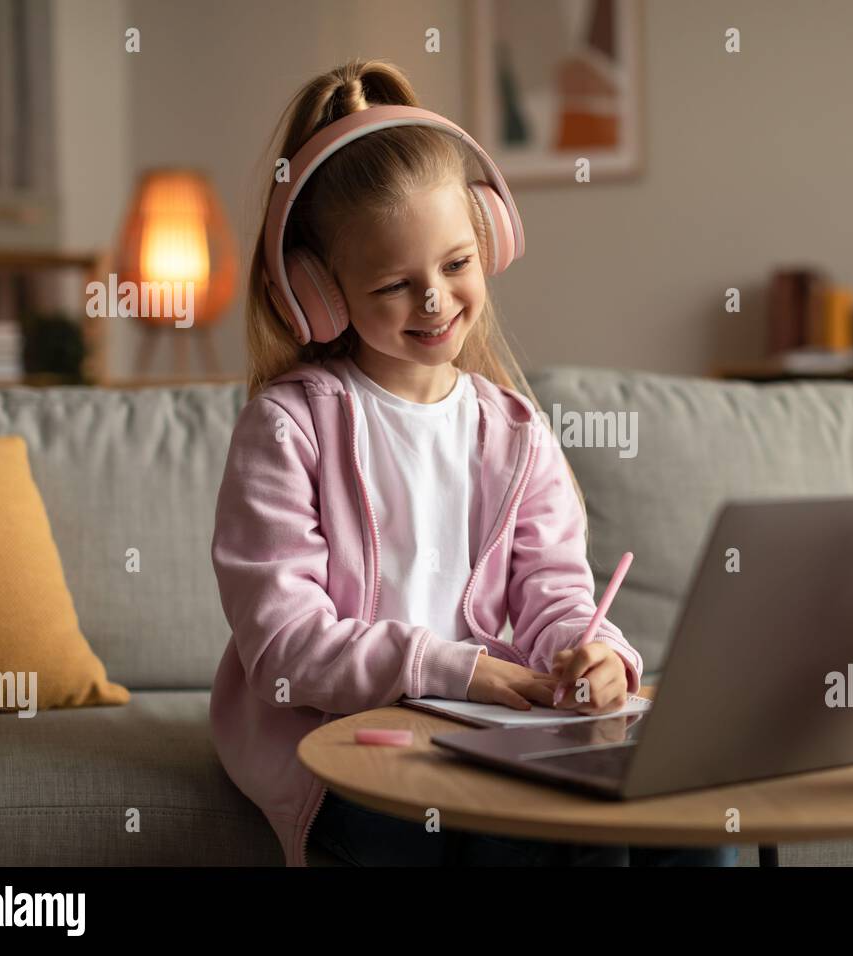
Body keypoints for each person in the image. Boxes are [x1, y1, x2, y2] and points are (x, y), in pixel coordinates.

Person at [209, 57, 737, 868]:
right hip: (347, 742)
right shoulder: (286, 429)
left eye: (456, 264)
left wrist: (592, 654)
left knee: (688, 830)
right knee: (520, 848)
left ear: (488, 241)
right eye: (393, 282)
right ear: (317, 291)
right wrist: (460, 672)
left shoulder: (517, 433)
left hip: (492, 732)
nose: (434, 300)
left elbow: (553, 594)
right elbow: (284, 644)